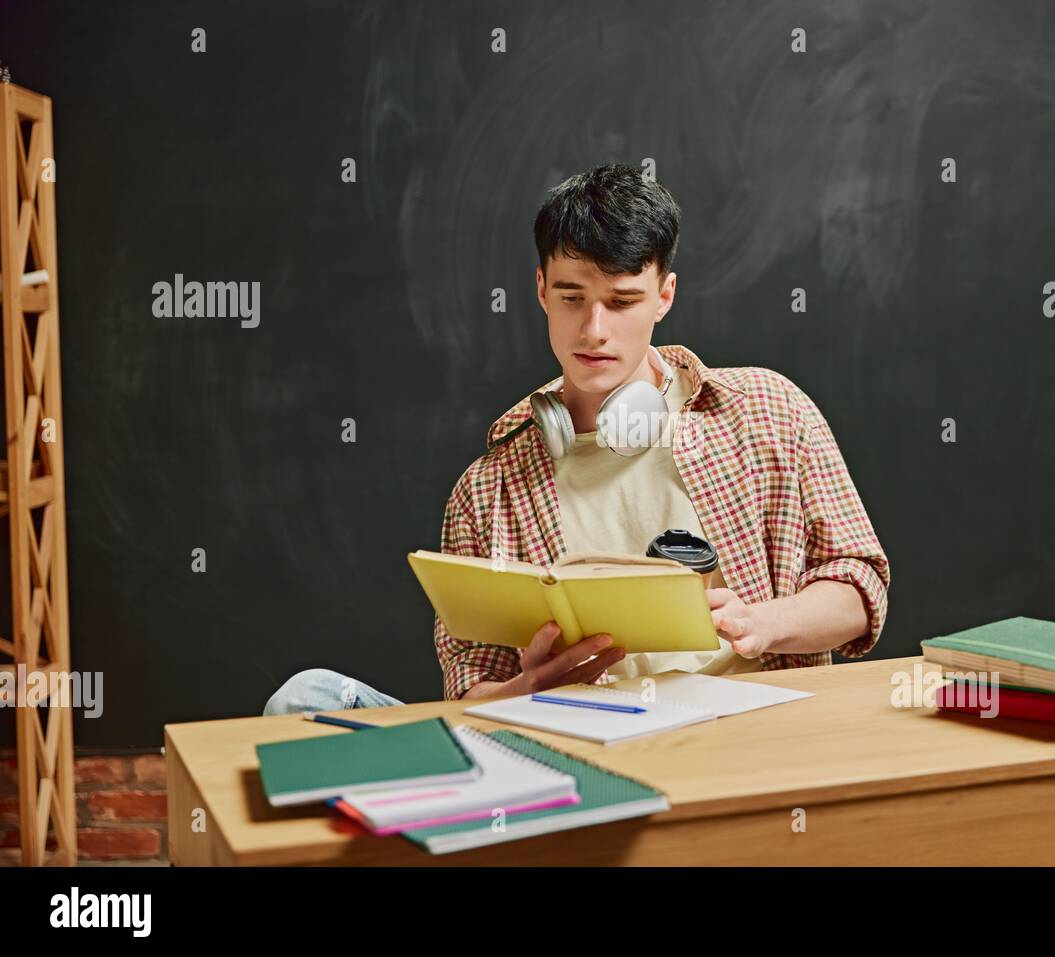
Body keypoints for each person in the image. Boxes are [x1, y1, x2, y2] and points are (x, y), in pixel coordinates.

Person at [264, 163, 889, 716]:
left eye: (622, 301)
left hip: (749, 740)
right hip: (580, 747)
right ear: (541, 290)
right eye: (572, 298)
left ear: (664, 296)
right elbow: (470, 698)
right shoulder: (488, 489)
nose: (594, 330)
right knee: (304, 698)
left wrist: (762, 624)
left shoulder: (765, 410)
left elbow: (860, 589)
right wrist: (531, 687)